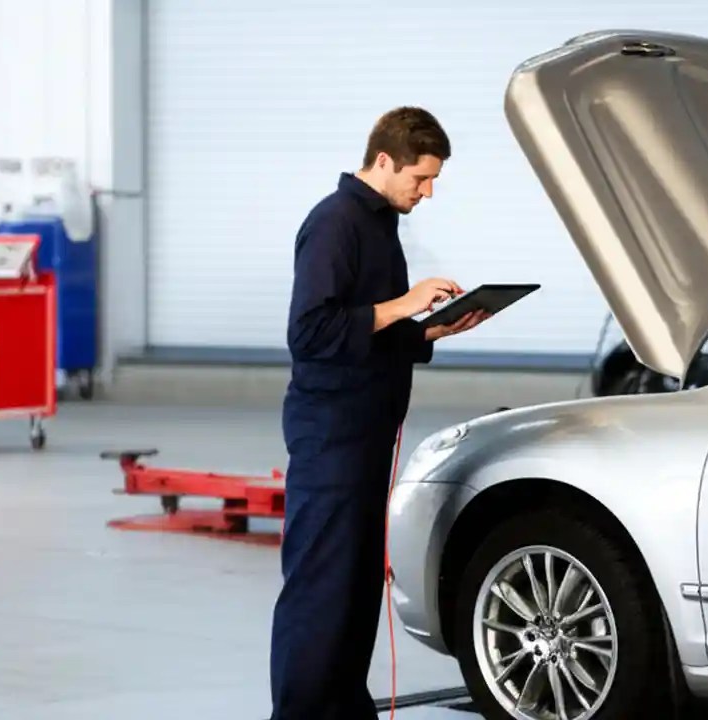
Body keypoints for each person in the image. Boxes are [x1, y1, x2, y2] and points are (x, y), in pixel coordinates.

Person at [269, 107, 488, 719]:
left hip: (367, 431)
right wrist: (405, 303)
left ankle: (341, 706)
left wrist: (435, 330)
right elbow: (310, 332)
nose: (428, 191)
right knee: (321, 585)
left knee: (358, 587)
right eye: (421, 179)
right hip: (331, 433)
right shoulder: (334, 222)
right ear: (384, 161)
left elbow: (366, 329)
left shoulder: (381, 223)